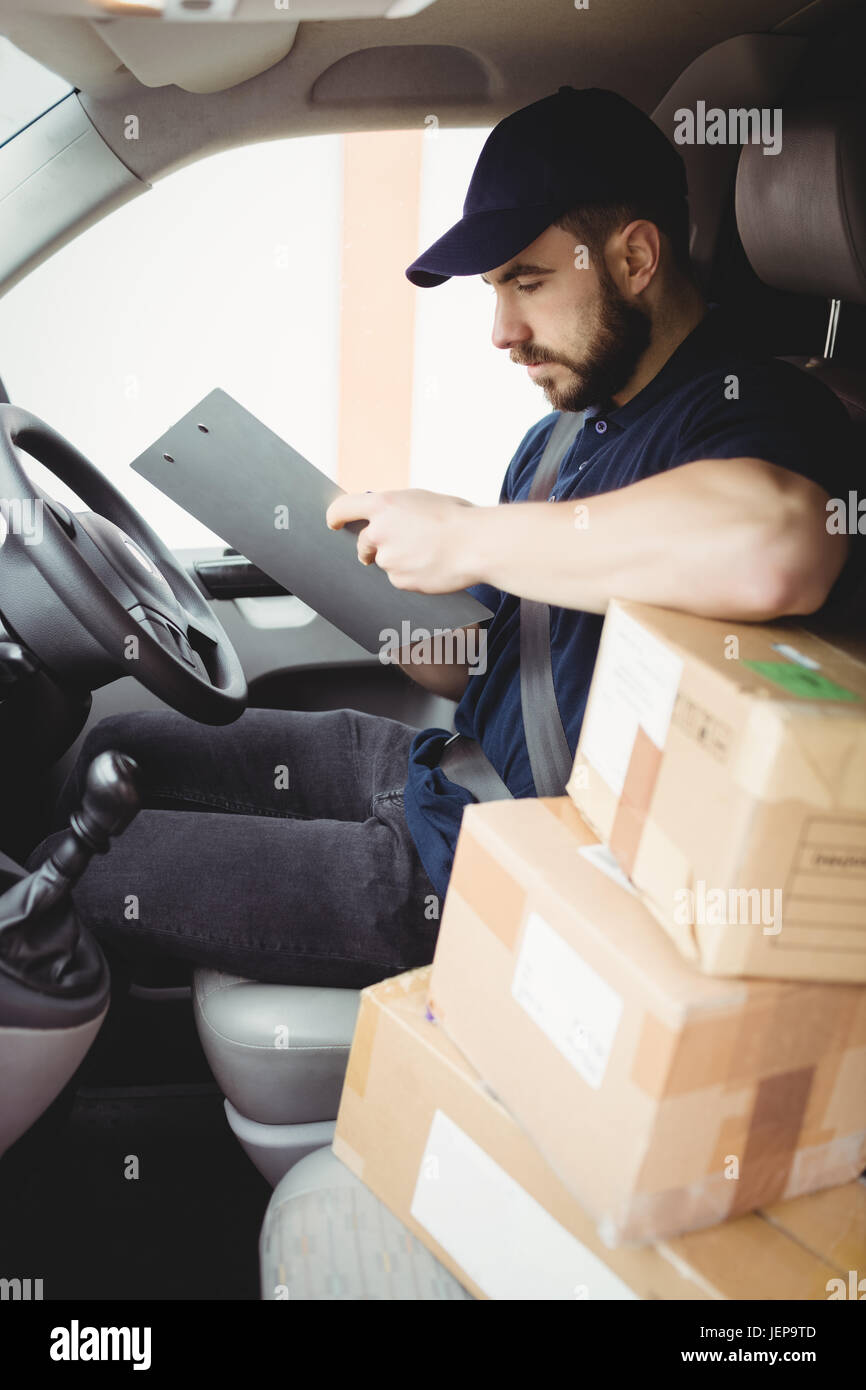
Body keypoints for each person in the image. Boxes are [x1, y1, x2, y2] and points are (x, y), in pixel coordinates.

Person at [27, 86, 859, 988]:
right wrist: (356, 567)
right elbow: (492, 661)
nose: (502, 331)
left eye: (527, 283)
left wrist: (468, 535)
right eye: (496, 290)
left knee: (93, 868)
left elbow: (778, 544)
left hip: (497, 865)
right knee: (125, 752)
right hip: (439, 768)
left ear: (635, 256)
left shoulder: (761, 409)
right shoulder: (560, 437)